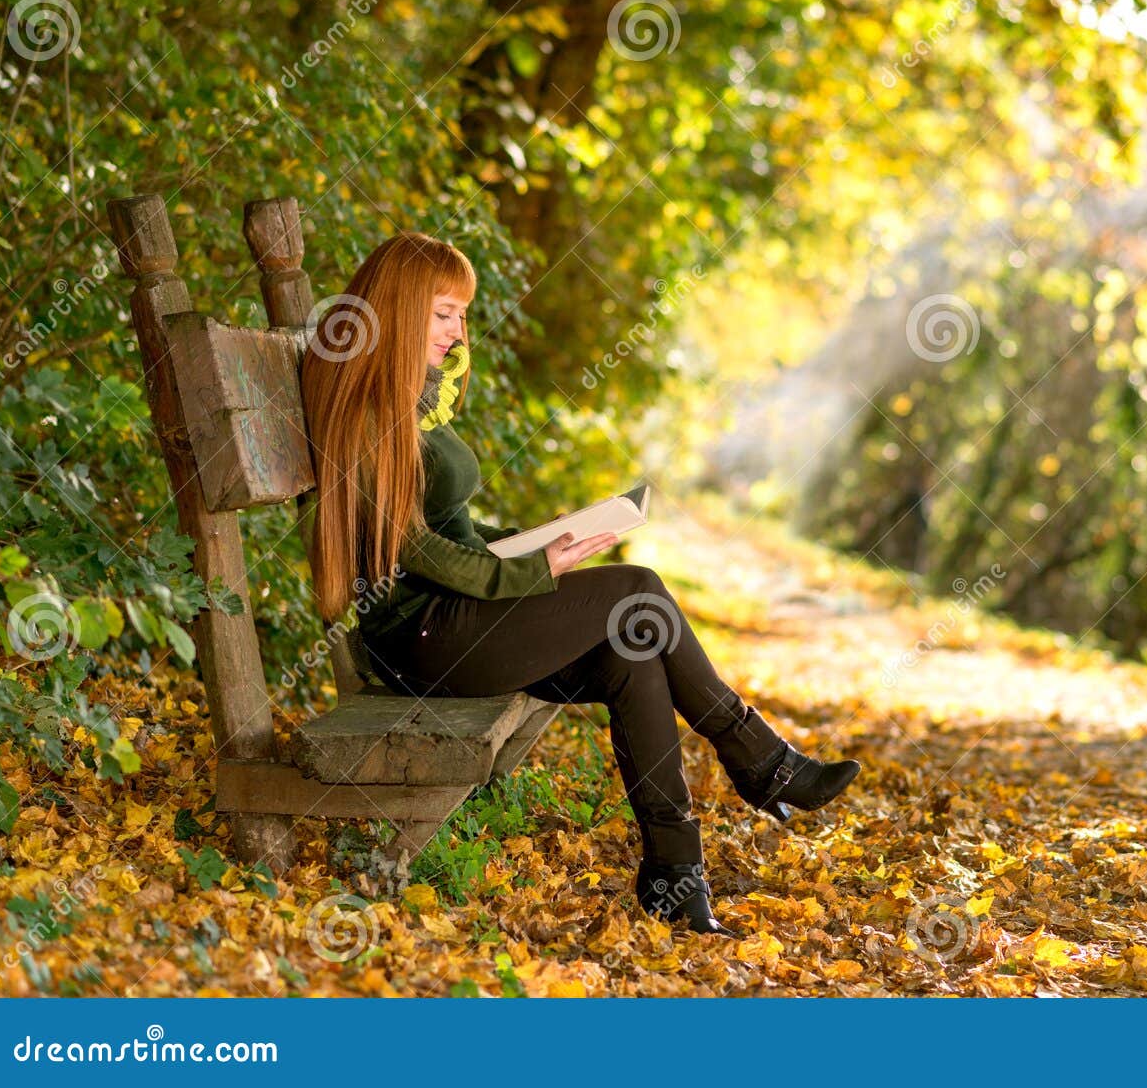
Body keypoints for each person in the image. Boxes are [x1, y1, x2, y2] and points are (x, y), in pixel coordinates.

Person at [299, 231, 860, 935]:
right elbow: (418, 554)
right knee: (638, 590)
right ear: (403, 307)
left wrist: (538, 542)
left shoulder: (405, 398)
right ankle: (763, 763)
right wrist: (539, 566)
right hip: (421, 639)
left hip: (449, 620)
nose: (458, 331)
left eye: (462, 315)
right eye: (444, 313)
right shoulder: (370, 410)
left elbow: (448, 541)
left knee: (632, 644)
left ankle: (675, 874)